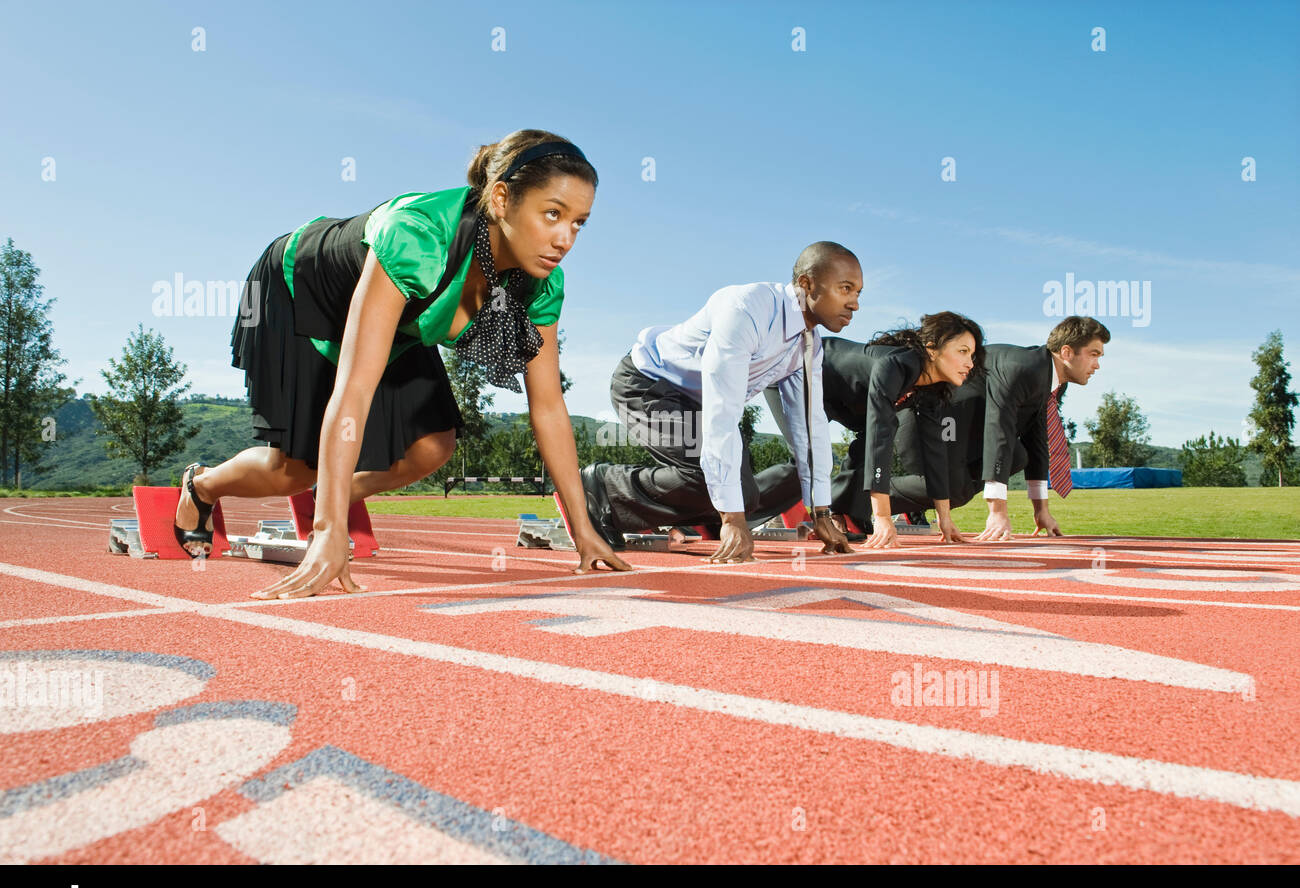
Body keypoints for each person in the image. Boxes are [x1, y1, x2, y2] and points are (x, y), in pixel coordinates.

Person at [174, 129, 631, 598]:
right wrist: (330, 531)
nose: (565, 239)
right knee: (294, 469)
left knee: (432, 446)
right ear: (500, 199)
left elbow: (550, 407)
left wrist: (584, 530)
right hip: (305, 291)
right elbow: (353, 390)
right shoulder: (418, 237)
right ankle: (203, 487)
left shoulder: (541, 285)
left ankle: (328, 490)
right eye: (552, 214)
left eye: (579, 223)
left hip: (400, 321)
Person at [574, 243, 861, 564]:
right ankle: (604, 486)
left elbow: (810, 427)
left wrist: (821, 510)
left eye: (858, 293)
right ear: (807, 284)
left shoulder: (808, 346)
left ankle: (682, 511)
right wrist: (731, 519)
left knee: (745, 496)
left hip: (698, 401)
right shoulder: (748, 309)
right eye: (845, 288)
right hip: (648, 383)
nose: (855, 304)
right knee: (716, 487)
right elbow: (722, 411)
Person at [754, 312, 983, 549]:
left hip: (840, 399)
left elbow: (935, 453)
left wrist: (944, 518)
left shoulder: (930, 390)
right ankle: (728, 510)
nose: (970, 363)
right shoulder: (895, 365)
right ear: (932, 349)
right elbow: (879, 435)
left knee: (875, 437)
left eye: (973, 355)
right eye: (963, 351)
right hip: (797, 372)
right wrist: (883, 517)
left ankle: (842, 512)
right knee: (811, 458)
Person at [973, 315, 1109, 540]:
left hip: (971, 431)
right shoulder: (1024, 369)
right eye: (1093, 355)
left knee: (1019, 455)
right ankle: (911, 505)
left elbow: (1036, 440)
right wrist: (997, 512)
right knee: (953, 488)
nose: (1097, 365)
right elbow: (999, 429)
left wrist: (1041, 510)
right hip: (937, 422)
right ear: (1066, 353)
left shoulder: (1054, 383)